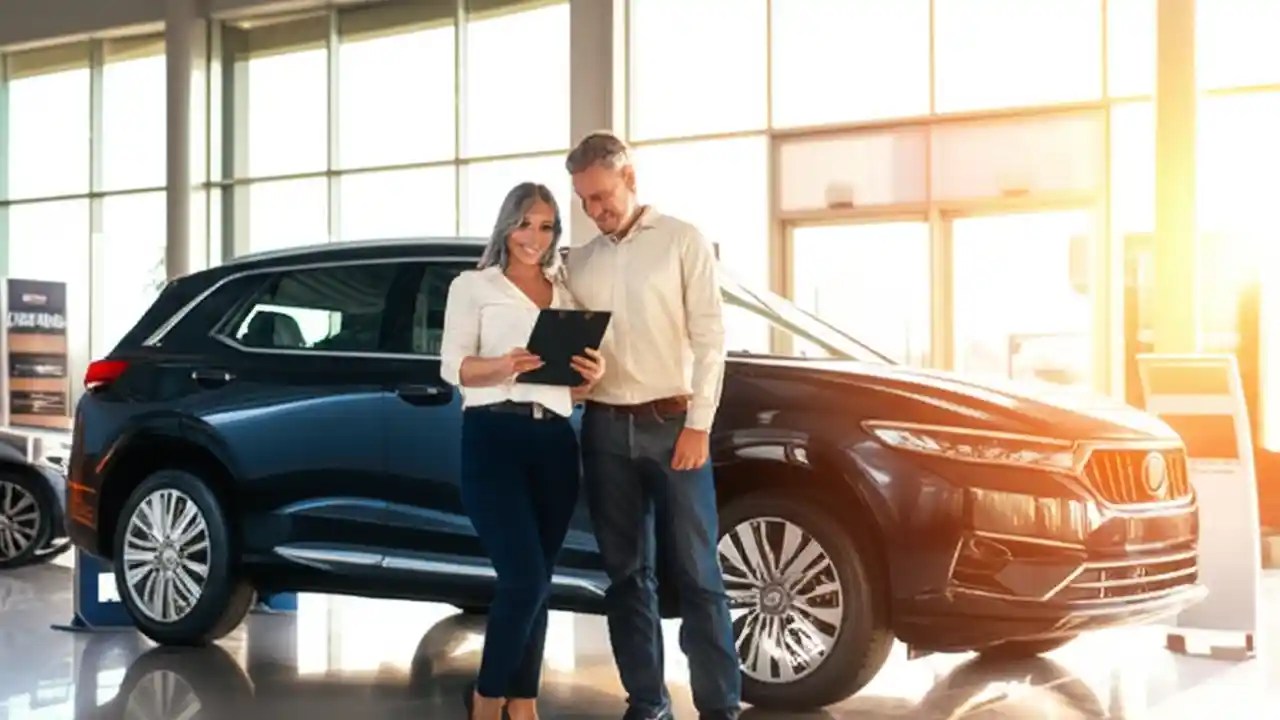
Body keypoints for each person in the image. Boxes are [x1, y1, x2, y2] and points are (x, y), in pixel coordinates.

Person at [564, 132, 741, 720]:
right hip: (605, 430)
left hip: (674, 426)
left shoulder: (682, 241)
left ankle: (720, 707)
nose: (594, 210)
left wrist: (699, 424)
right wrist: (574, 381)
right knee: (626, 577)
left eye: (602, 195)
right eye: (584, 200)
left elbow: (711, 340)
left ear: (630, 178)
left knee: (697, 573)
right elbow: (566, 350)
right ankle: (647, 701)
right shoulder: (579, 262)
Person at [440, 181, 607, 720]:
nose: (535, 236)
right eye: (526, 223)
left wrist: (591, 378)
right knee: (524, 577)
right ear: (507, 226)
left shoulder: (566, 295)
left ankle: (525, 701)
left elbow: (570, 388)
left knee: (541, 578)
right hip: (493, 438)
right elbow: (454, 368)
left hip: (554, 442)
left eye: (546, 225)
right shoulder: (473, 285)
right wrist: (503, 366)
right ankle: (488, 700)